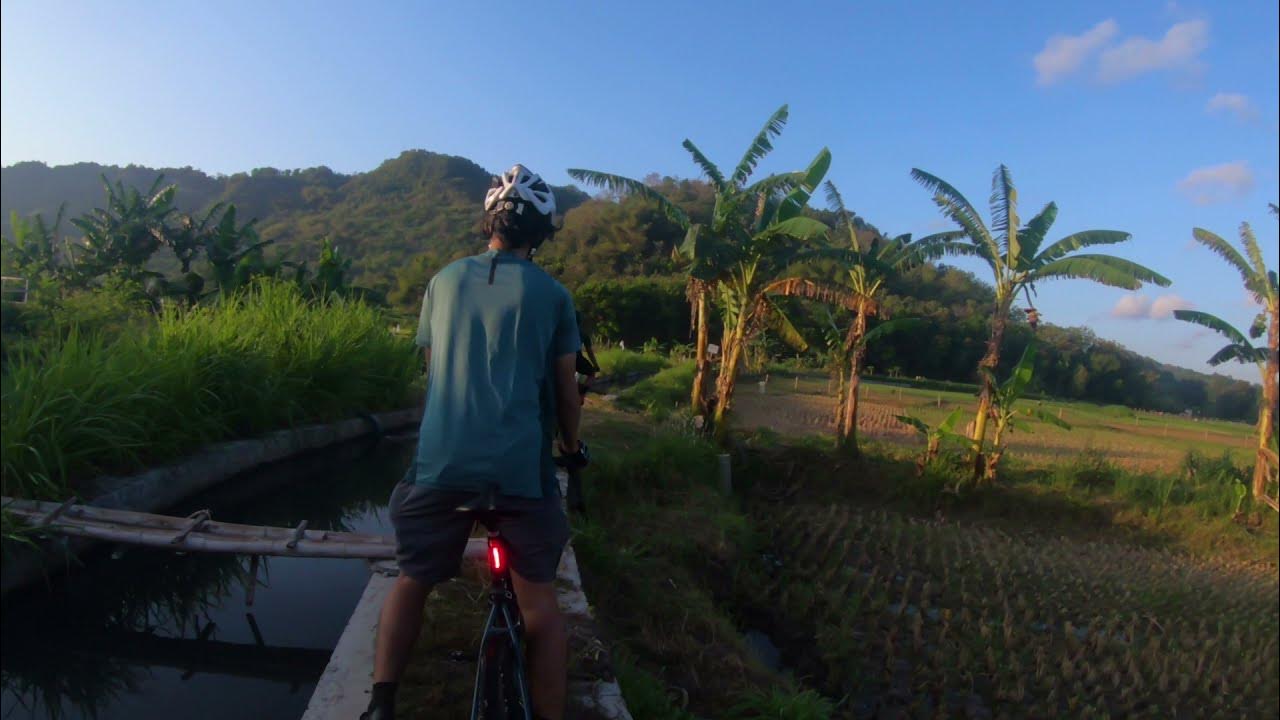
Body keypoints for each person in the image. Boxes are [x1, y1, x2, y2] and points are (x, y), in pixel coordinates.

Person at [362, 164, 587, 720]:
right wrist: (572, 448)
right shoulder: (553, 295)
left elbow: (435, 369)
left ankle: (382, 703)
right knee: (539, 603)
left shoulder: (442, 282)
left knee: (413, 580)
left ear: (490, 223)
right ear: (541, 232)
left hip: (442, 466)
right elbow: (566, 392)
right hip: (519, 471)